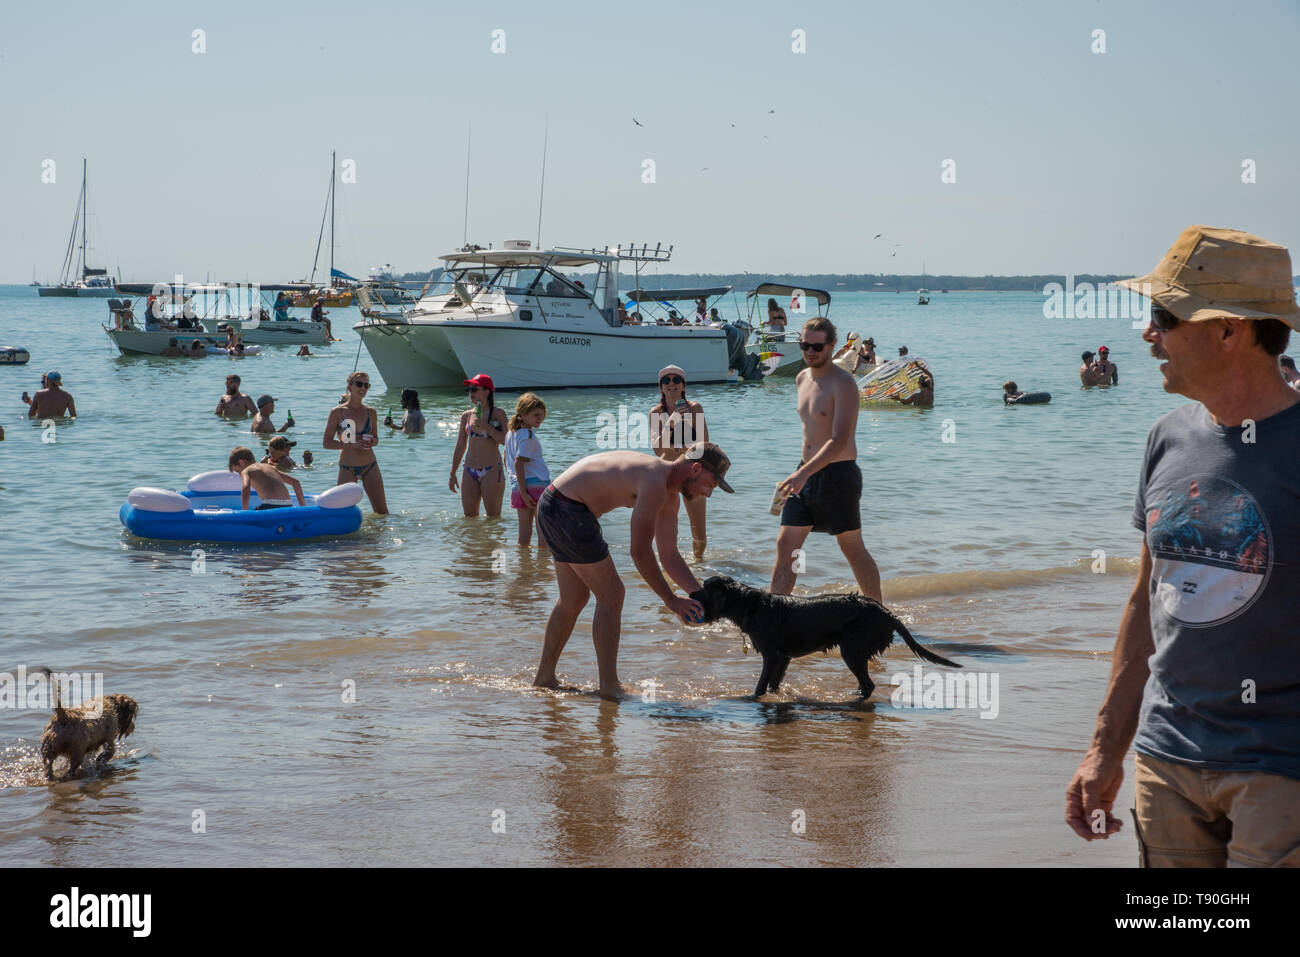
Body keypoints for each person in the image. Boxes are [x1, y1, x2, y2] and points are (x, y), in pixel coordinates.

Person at [1066, 225, 1300, 867]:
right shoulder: (1166, 439)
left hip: (1282, 772)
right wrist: (1105, 749)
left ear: (1230, 329)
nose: (1149, 335)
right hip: (1167, 759)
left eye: (1164, 317)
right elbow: (1148, 600)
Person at [531, 442, 732, 699]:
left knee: (574, 599)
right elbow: (640, 551)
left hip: (555, 504)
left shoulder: (668, 494)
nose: (709, 493)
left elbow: (669, 555)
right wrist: (670, 600)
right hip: (568, 508)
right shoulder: (654, 480)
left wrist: (699, 596)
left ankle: (544, 679)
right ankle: (609, 686)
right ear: (695, 468)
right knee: (612, 595)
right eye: (711, 484)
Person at [771, 317, 882, 602]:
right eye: (805, 345)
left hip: (838, 476)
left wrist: (803, 474)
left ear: (832, 346)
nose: (810, 352)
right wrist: (802, 473)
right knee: (787, 546)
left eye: (817, 346)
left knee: (852, 548)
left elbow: (840, 439)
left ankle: (879, 614)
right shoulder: (801, 378)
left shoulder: (843, 383)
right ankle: (775, 614)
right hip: (804, 473)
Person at [650, 364, 709, 561]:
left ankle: (699, 568)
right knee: (667, 530)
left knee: (699, 533)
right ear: (661, 388)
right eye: (666, 380)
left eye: (676, 380)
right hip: (666, 475)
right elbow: (659, 450)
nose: (671, 384)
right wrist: (672, 422)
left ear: (683, 386)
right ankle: (669, 568)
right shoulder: (656, 413)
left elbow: (704, 447)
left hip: (693, 474)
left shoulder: (695, 408)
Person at [323, 371, 388, 513]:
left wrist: (373, 441)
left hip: (370, 465)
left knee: (382, 512)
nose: (363, 388)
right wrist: (351, 445)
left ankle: (379, 535)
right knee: (343, 512)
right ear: (349, 386)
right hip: (347, 467)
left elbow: (376, 438)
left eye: (366, 385)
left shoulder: (371, 412)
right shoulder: (338, 412)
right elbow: (327, 443)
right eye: (359, 384)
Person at [449, 373, 508, 517]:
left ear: (487, 391)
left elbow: (508, 441)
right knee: (469, 519)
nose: (471, 392)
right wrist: (452, 473)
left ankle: (492, 541)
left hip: (492, 470)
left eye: (474, 389)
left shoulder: (498, 414)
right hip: (469, 470)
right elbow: (460, 446)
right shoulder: (466, 416)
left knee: (493, 520)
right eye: (469, 389)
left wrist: (487, 427)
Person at [505, 393, 550, 547]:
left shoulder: (511, 433)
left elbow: (508, 460)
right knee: (543, 530)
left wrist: (518, 488)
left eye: (542, 415)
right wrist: (525, 494)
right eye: (536, 415)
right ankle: (542, 567)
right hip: (536, 485)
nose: (540, 419)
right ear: (523, 415)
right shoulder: (528, 434)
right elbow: (519, 462)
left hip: (518, 486)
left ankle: (524, 566)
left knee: (523, 532)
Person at [229, 446, 305, 510]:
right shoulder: (270, 467)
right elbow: (295, 482)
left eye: (237, 471)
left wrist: (244, 512)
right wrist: (303, 508)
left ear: (241, 463)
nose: (239, 475)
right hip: (288, 505)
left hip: (271, 505)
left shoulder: (246, 471)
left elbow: (245, 487)